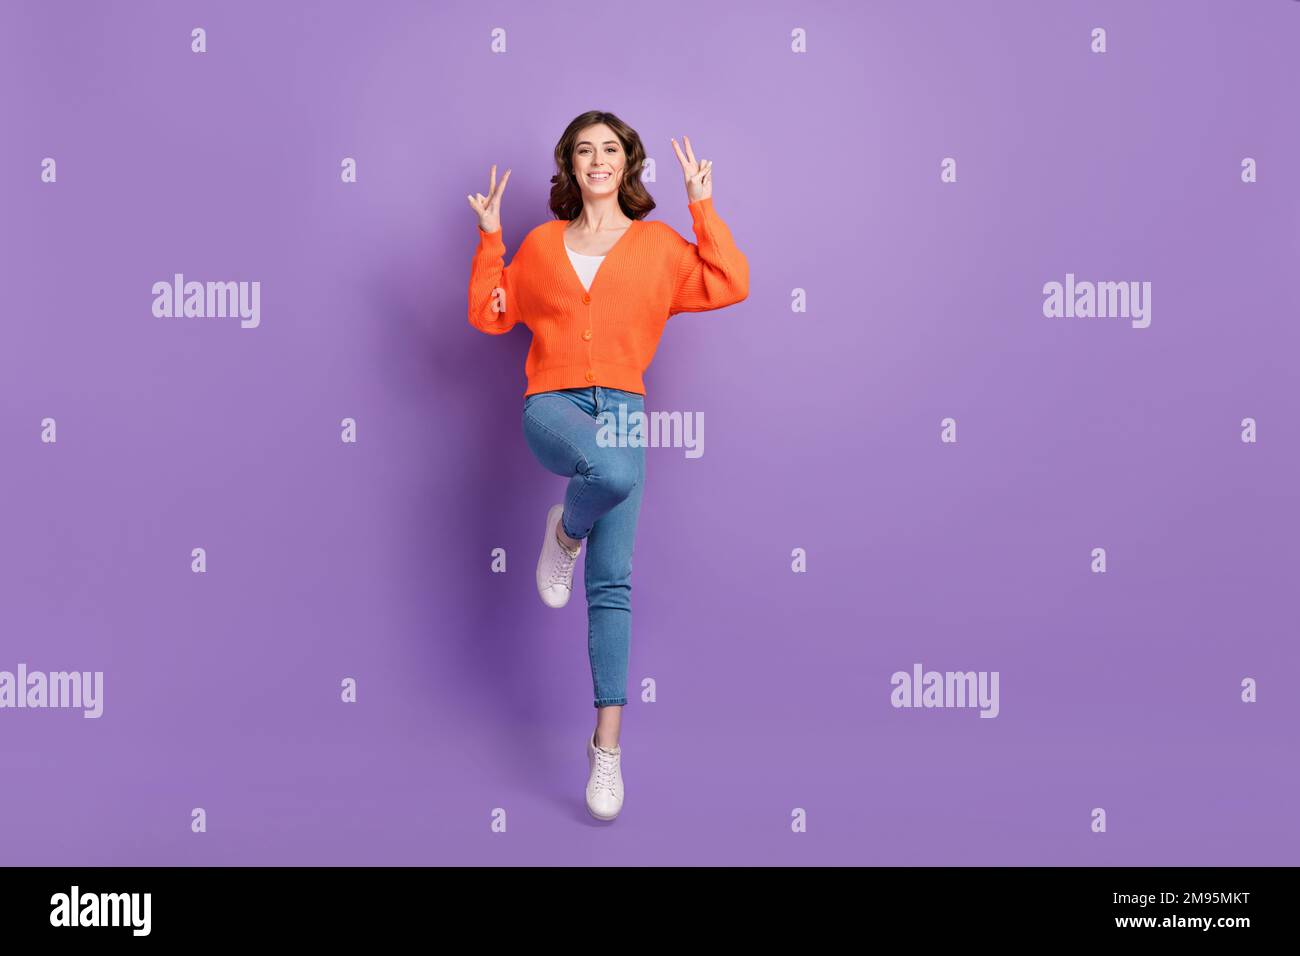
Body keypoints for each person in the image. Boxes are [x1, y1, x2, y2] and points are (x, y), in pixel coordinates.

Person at [466, 110, 749, 821]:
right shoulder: (541, 245)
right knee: (611, 475)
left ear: (628, 164)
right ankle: (563, 533)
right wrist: (491, 236)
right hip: (552, 402)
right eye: (585, 149)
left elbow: (730, 281)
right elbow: (490, 312)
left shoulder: (659, 246)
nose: (598, 159)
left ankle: (607, 750)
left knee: (613, 581)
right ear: (570, 164)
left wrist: (703, 204)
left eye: (611, 149)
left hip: (623, 404)